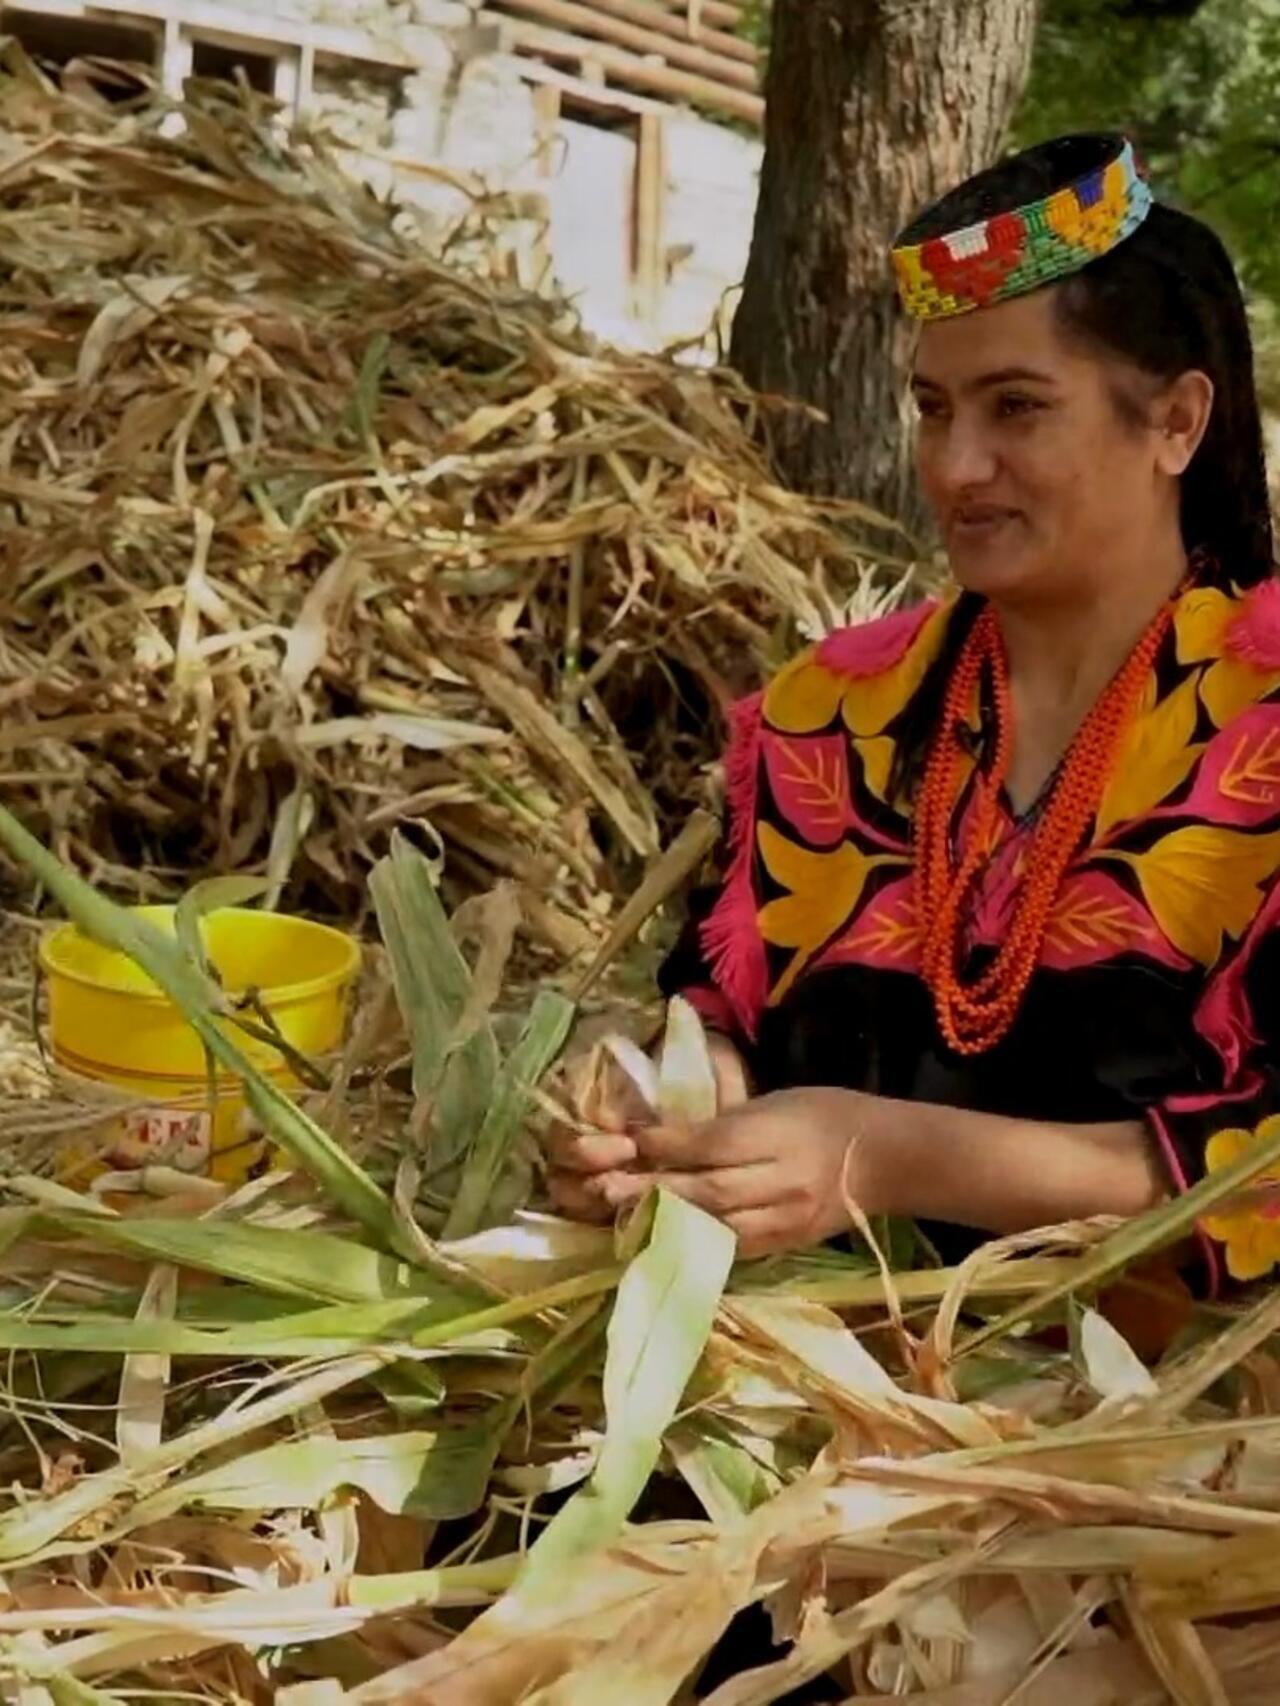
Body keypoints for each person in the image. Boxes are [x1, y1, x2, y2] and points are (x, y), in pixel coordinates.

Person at [551, 131, 1280, 1308]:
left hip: (1159, 1401)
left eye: (1015, 407)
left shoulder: (1262, 729)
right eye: (932, 408)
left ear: (1174, 422)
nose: (955, 466)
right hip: (810, 1362)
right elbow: (722, 1008)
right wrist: (675, 1116)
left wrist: (885, 1155)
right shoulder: (830, 716)